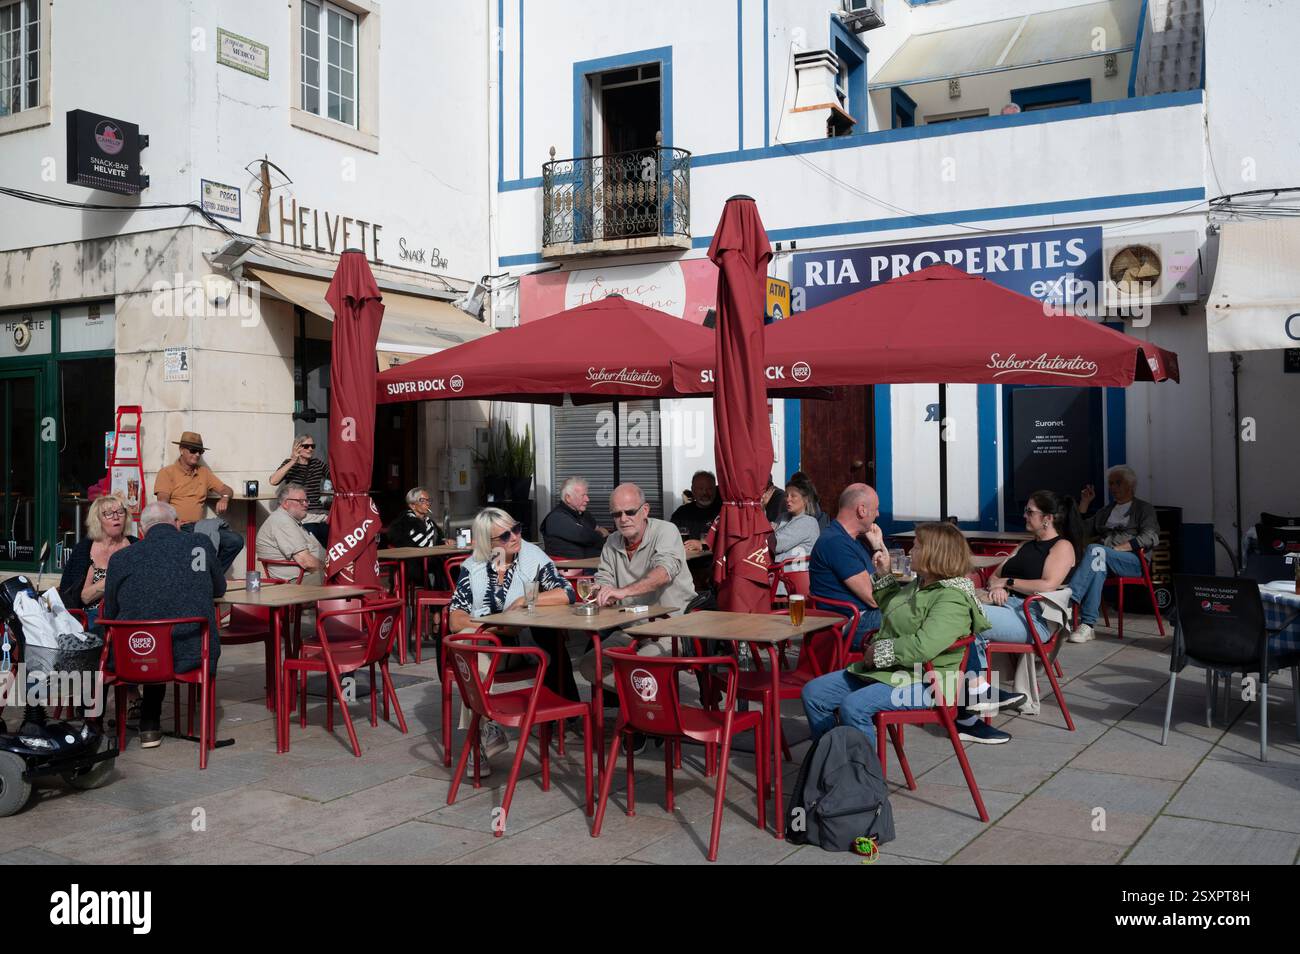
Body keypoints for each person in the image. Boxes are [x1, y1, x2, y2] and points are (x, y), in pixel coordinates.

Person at [802, 522, 994, 748]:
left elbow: (924, 647)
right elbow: (895, 611)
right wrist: (884, 575)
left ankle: (862, 778)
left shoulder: (952, 598)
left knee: (854, 706)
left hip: (929, 683)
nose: (910, 552)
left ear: (934, 554)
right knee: (814, 693)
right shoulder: (922, 584)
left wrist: (880, 652)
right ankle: (833, 760)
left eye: (916, 547)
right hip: (896, 671)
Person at [447, 508, 575, 773]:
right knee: (469, 642)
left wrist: (523, 601)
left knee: (468, 646)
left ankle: (479, 741)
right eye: (504, 536)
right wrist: (493, 626)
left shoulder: (532, 557)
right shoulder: (474, 567)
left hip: (521, 646)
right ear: (488, 543)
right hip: (488, 645)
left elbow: (567, 592)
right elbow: (455, 619)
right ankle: (485, 733)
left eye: (516, 528)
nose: (515, 537)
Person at [101, 502, 225, 749]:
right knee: (164, 632)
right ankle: (152, 723)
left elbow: (112, 610)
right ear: (177, 524)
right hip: (193, 652)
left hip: (138, 654)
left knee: (144, 635)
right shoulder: (198, 544)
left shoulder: (122, 558)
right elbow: (219, 588)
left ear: (143, 530)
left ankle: (98, 728)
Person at [578, 482, 698, 690]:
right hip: (632, 629)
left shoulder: (666, 531)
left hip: (672, 628)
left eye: (630, 512)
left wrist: (622, 591)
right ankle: (638, 701)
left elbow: (664, 573)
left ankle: (644, 706)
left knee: (639, 669)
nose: (623, 519)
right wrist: (601, 591)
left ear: (645, 510)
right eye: (617, 514)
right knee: (590, 665)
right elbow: (604, 576)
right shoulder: (612, 541)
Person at [976, 490, 1076, 714]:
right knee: (958, 615)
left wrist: (1008, 583)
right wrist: (998, 588)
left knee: (969, 616)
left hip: (1033, 617)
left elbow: (1048, 584)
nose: (1025, 516)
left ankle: (978, 691)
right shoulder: (1025, 546)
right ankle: (971, 689)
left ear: (1047, 519)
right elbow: (994, 578)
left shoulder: (1062, 547)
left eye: (1030, 512)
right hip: (1007, 607)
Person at [1066, 465, 1160, 643]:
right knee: (1097, 568)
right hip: (1104, 560)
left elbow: (1150, 536)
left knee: (1095, 550)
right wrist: (1085, 503)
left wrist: (1117, 549)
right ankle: (1088, 626)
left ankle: (1070, 599)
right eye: (1111, 484)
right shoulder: (1105, 511)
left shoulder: (1144, 509)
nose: (1113, 487)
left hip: (1133, 561)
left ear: (1131, 485)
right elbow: (1080, 531)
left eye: (1118, 483)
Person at [809, 484, 887, 652]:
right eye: (876, 509)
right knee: (916, 616)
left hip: (863, 616)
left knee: (925, 613)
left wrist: (877, 546)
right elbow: (874, 599)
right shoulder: (835, 543)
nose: (878, 514)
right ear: (862, 510)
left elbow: (877, 582)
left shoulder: (854, 541)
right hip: (851, 625)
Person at [153, 431, 243, 574]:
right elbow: (162, 504)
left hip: (199, 527)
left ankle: (212, 577)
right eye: (193, 450)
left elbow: (226, 489)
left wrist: (225, 498)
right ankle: (203, 579)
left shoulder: (203, 472)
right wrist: (173, 523)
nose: (197, 455)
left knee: (235, 541)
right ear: (181, 450)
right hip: (178, 526)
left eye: (200, 451)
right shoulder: (167, 472)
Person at [58, 492, 136, 627]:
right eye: (109, 513)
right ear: (97, 520)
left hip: (127, 613)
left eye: (120, 512)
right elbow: (80, 596)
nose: (116, 517)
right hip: (90, 617)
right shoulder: (84, 549)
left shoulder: (136, 546)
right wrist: (116, 577)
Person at [256, 483, 326, 584]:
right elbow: (307, 562)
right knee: (347, 578)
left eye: (306, 500)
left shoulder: (291, 518)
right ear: (285, 503)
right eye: (301, 501)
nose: (306, 504)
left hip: (306, 576)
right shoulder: (282, 522)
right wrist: (331, 569)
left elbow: (316, 517)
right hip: (297, 580)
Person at [269, 435, 329, 547]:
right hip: (299, 513)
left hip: (318, 512)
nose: (310, 449)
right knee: (312, 536)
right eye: (306, 446)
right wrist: (293, 461)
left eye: (312, 446)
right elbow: (273, 480)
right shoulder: (289, 463)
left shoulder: (317, 464)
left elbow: (335, 478)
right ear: (297, 447)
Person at [772, 474, 821, 593]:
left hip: (790, 584)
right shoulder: (783, 517)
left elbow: (776, 544)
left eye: (793, 496)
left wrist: (770, 530)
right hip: (777, 576)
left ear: (805, 499)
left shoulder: (808, 522)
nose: (788, 499)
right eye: (786, 495)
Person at [541, 476, 608, 560]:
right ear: (568, 498)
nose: (587, 499)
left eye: (587, 495)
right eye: (583, 495)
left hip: (594, 563)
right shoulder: (556, 518)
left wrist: (598, 533)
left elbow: (599, 530)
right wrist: (599, 534)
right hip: (572, 568)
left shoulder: (584, 514)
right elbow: (587, 537)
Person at [670, 470, 721, 554]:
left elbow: (728, 544)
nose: (705, 493)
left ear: (715, 490)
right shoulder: (681, 513)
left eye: (709, 488)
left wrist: (703, 546)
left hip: (713, 564)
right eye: (700, 489)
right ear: (693, 490)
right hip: (686, 563)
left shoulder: (723, 512)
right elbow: (669, 539)